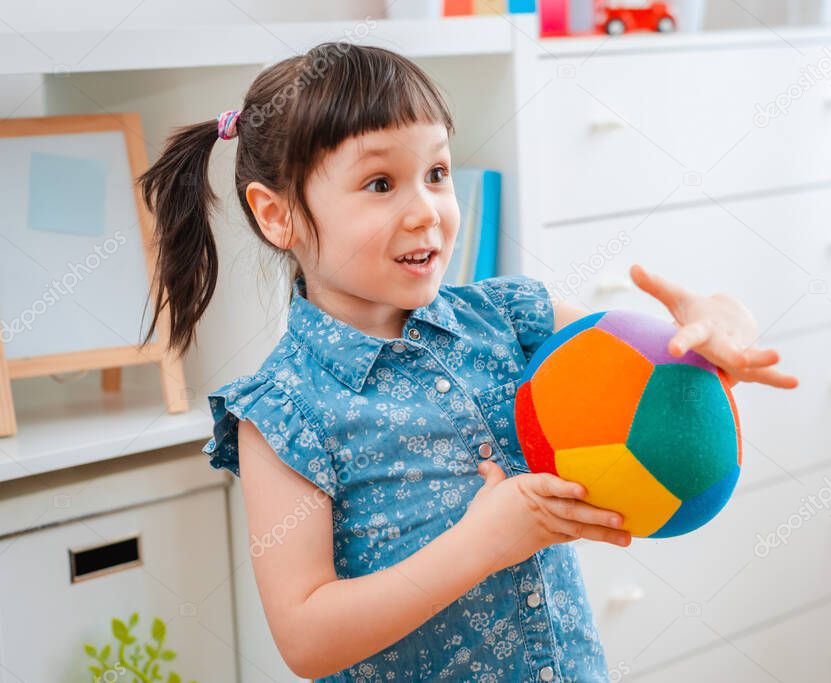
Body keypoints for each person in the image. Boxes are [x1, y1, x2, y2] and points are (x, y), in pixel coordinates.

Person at [137, 41, 797, 682]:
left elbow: (661, 347)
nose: (426, 210)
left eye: (437, 174)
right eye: (379, 183)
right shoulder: (283, 410)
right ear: (278, 216)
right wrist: (485, 543)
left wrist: (722, 323)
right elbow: (306, 637)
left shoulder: (505, 317)